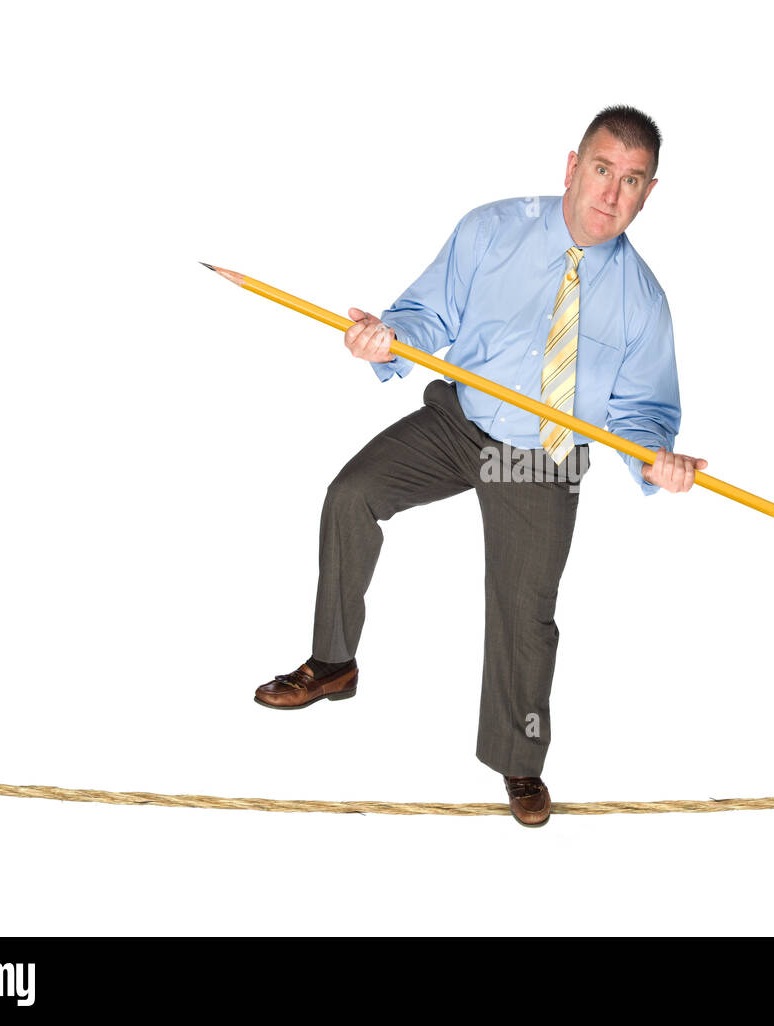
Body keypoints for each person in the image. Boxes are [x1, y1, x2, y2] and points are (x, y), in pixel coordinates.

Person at [254, 105, 707, 827]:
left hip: (543, 462)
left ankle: (521, 760)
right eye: (600, 170)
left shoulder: (644, 301)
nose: (610, 194)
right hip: (461, 422)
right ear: (571, 167)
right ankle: (334, 662)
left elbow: (643, 415)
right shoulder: (491, 229)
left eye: (631, 180)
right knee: (352, 494)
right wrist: (388, 339)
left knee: (525, 617)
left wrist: (655, 464)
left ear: (649, 192)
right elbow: (427, 320)